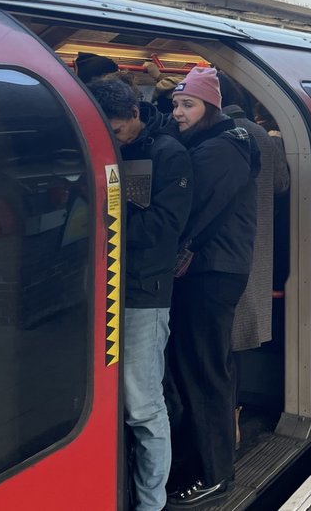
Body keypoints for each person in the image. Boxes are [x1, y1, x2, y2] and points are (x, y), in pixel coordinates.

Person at [88, 77, 193, 511]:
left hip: (143, 294)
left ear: (135, 114)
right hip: (104, 289)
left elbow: (164, 229)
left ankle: (151, 503)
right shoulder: (110, 148)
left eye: (115, 130)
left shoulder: (170, 155)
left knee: (143, 407)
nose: (111, 139)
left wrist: (105, 224)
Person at [165, 66, 260, 508]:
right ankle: (201, 463)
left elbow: (189, 211)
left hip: (210, 273)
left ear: (211, 108)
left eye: (188, 105)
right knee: (205, 367)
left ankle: (213, 473)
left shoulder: (218, 151)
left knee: (202, 372)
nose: (178, 113)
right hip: (216, 269)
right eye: (176, 104)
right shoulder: (221, 143)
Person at [217, 72, 290, 449]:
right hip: (257, 250)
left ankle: (228, 428)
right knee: (237, 342)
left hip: (222, 256)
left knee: (221, 345)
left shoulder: (217, 137)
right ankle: (235, 421)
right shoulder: (260, 136)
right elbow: (280, 184)